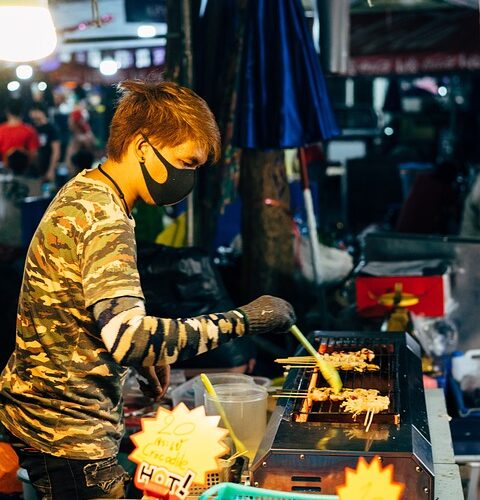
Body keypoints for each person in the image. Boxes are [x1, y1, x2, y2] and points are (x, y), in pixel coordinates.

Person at [0, 79, 296, 499]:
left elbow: (88, 314)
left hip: (43, 418)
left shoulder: (88, 191)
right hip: (65, 434)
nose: (188, 177)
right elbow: (130, 338)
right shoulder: (104, 217)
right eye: (186, 162)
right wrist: (245, 320)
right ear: (142, 146)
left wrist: (142, 359)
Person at [0, 99, 39, 166]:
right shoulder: (29, 131)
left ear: (7, 112)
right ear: (22, 112)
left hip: (4, 170)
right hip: (24, 171)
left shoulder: (1, 130)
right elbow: (34, 155)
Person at [28, 102, 61, 182]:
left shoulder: (51, 128)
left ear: (42, 112)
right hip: (34, 170)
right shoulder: (30, 128)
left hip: (48, 165)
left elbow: (56, 151)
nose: (33, 114)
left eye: (35, 111)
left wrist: (51, 170)